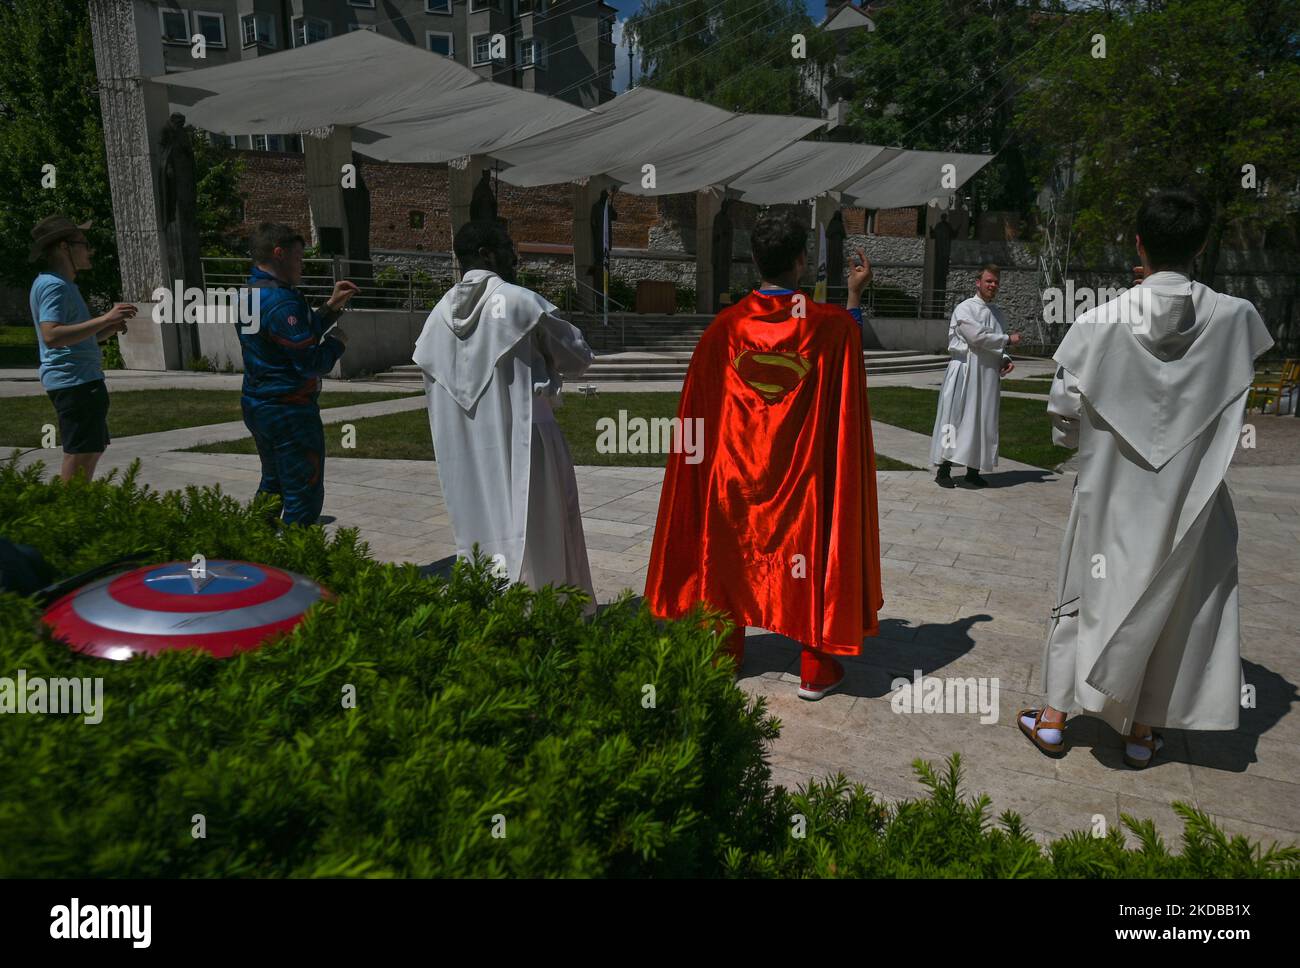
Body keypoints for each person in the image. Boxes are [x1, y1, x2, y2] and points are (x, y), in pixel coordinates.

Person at [1019, 188, 1274, 768]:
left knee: (1086, 592)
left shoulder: (1098, 323)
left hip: (1110, 492)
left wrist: (1088, 443)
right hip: (1191, 500)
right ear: (1203, 244)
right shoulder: (1236, 320)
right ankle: (1140, 731)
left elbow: (1062, 413)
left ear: (1138, 242)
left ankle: (1056, 719)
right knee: (1172, 603)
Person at [644, 210, 883, 700]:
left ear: (755, 260)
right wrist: (854, 295)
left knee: (729, 556)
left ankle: (724, 652)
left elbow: (698, 411)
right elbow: (849, 352)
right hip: (805, 479)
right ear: (801, 261)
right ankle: (815, 667)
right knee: (808, 555)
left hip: (733, 475)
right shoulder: (830, 327)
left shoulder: (724, 329)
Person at [413, 220, 596, 598]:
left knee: (483, 525)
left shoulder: (435, 319)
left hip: (467, 451)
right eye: (509, 246)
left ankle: (493, 603)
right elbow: (578, 357)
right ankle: (550, 608)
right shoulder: (520, 302)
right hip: (529, 438)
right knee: (542, 528)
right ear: (486, 254)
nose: (516, 254)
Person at [239, 222, 357, 526]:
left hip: (259, 404)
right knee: (303, 494)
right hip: (289, 410)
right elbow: (309, 361)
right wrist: (336, 344)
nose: (301, 266)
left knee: (273, 482)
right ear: (279, 253)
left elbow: (288, 338)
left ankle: (255, 549)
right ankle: (294, 564)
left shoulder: (249, 293)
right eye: (298, 258)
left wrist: (330, 308)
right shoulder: (281, 301)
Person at [28, 216, 136, 482]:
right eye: (84, 244)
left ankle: (79, 506)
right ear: (64, 247)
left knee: (90, 449)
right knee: (79, 452)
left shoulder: (61, 285)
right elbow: (51, 335)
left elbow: (72, 338)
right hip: (74, 381)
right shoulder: (54, 286)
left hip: (80, 379)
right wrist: (104, 319)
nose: (90, 250)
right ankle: (70, 510)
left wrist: (106, 330)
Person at [929, 264, 1021, 488]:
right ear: (978, 282)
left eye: (996, 282)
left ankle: (973, 469)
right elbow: (977, 338)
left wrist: (1005, 358)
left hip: (987, 374)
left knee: (982, 419)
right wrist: (1008, 339)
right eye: (989, 281)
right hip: (964, 370)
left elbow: (993, 343)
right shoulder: (965, 308)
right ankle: (944, 468)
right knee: (954, 418)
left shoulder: (998, 313)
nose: (993, 285)